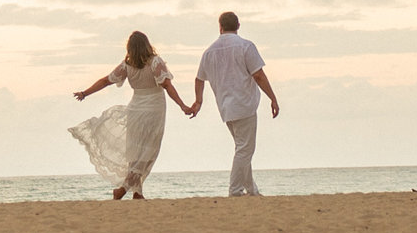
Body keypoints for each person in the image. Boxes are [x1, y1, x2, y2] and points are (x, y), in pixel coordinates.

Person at [70, 31, 191, 199]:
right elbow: (167, 85)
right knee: (148, 151)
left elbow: (106, 81)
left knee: (136, 152)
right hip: (153, 109)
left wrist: (85, 93)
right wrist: (182, 105)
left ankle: (137, 192)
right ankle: (123, 189)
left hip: (135, 108)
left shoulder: (127, 65)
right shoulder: (155, 62)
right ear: (147, 44)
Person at [189, 11, 278, 197]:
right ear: (238, 26)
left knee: (242, 148)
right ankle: (235, 190)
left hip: (226, 107)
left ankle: (252, 190)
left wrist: (199, 101)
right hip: (244, 104)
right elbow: (258, 75)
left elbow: (199, 79)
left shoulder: (209, 52)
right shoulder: (245, 46)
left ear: (220, 27)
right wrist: (273, 97)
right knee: (245, 150)